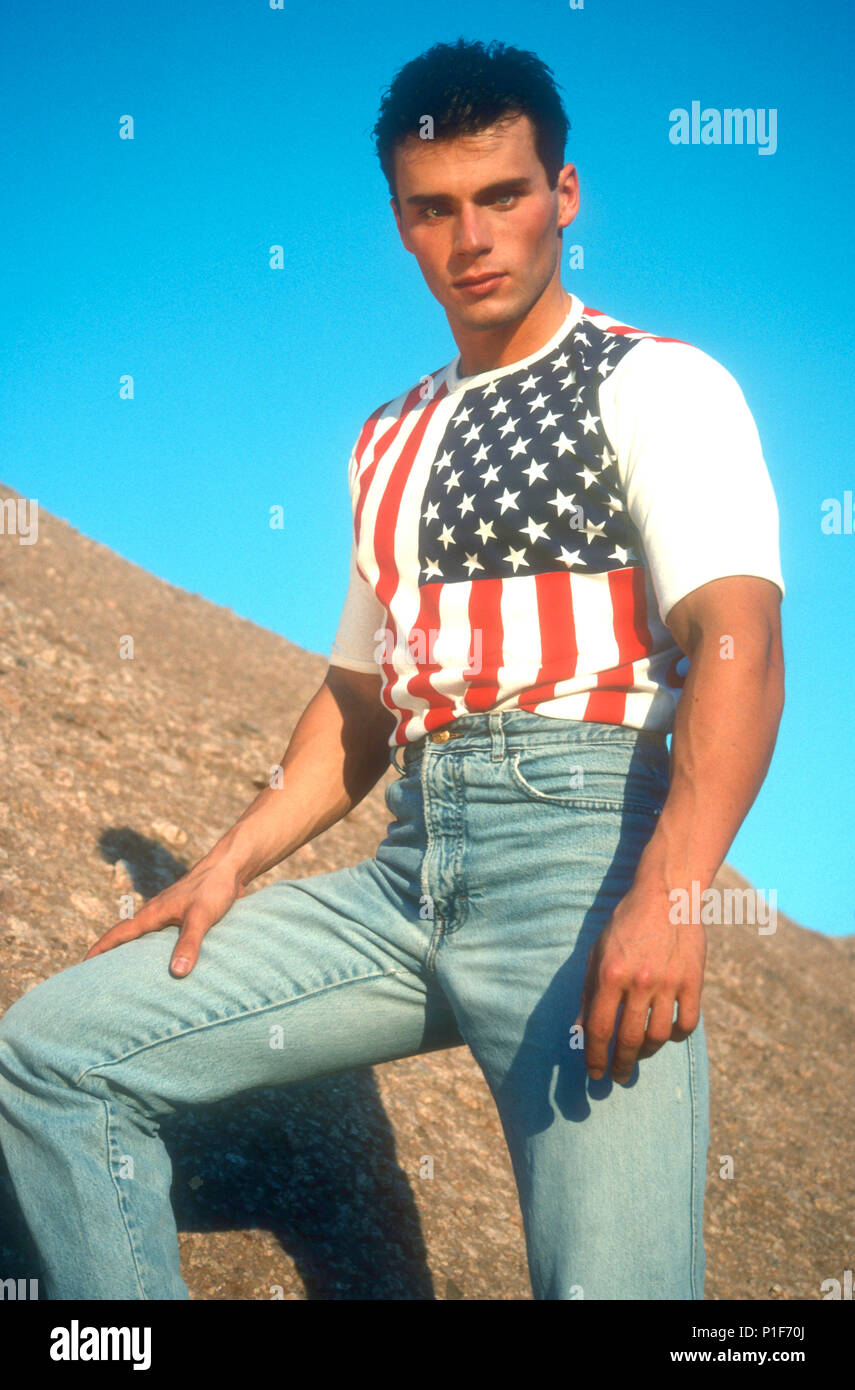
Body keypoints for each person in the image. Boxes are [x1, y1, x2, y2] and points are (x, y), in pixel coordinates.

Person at [0, 38, 785, 1301]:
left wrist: (676, 893)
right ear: (401, 223)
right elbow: (361, 704)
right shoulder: (390, 437)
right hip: (409, 874)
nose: (474, 236)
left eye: (503, 196)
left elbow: (741, 641)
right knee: (53, 1050)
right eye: (436, 208)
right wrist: (225, 865)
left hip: (582, 867)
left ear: (563, 194)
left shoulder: (656, 382)